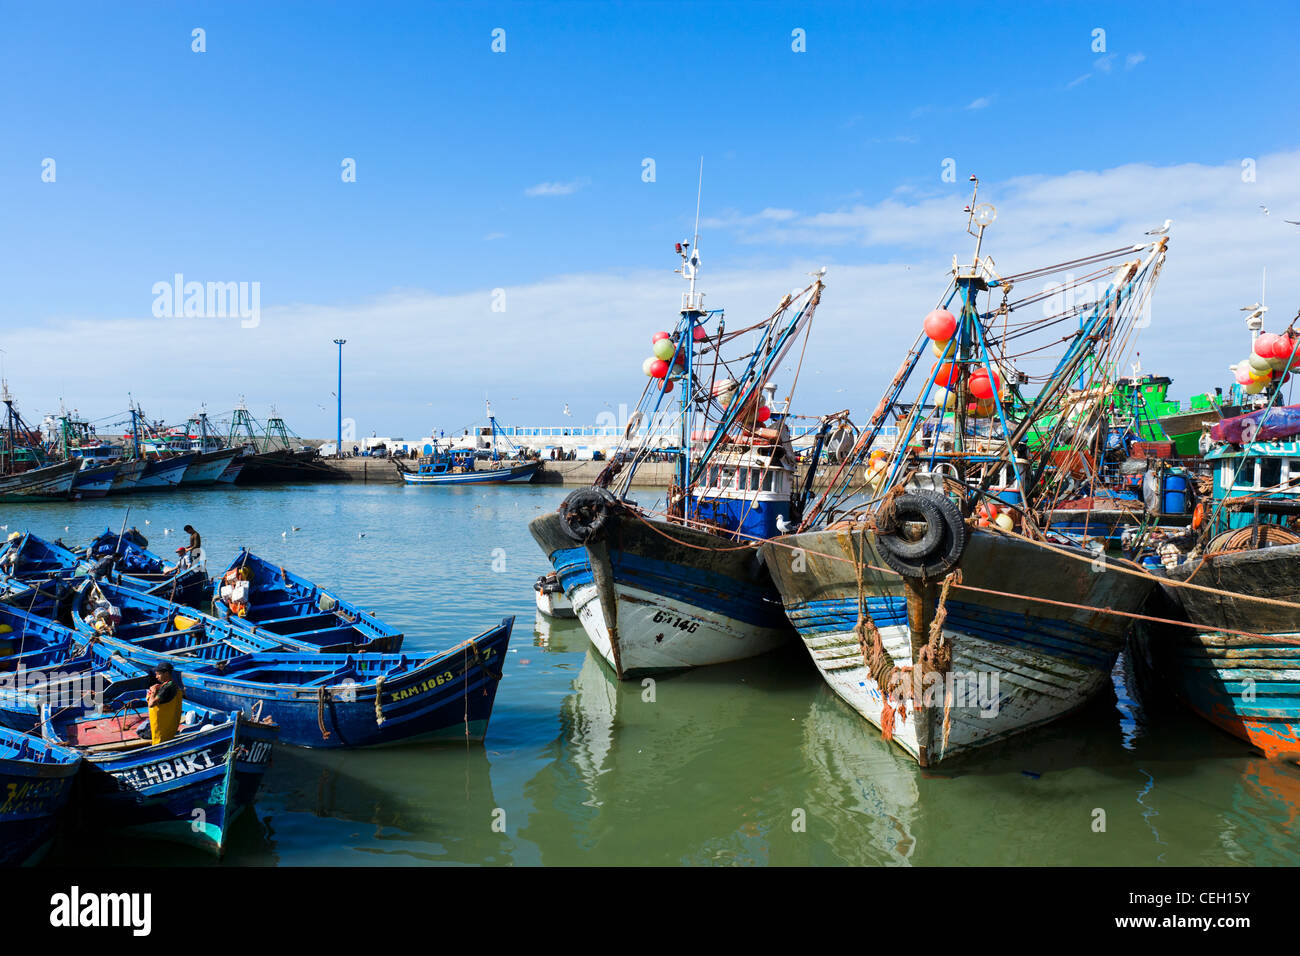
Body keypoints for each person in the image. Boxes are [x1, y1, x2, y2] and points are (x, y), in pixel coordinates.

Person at [145, 662, 184, 745]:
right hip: (169, 725)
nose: (156, 677)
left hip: (161, 728)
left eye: (158, 674)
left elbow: (151, 704)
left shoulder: (167, 688)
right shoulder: (173, 685)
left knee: (159, 741)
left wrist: (153, 692)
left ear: (166, 673)